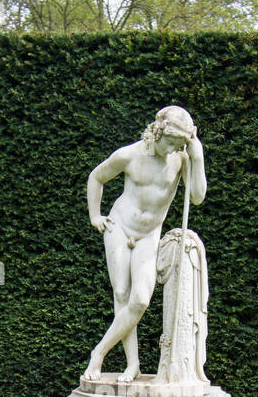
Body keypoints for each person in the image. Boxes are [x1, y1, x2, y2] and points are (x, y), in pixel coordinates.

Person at [84, 106, 206, 382]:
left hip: (149, 236)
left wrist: (196, 157)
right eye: (171, 143)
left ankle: (99, 351)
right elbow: (97, 176)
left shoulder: (181, 159)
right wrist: (95, 215)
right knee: (122, 294)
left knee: (139, 300)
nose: (174, 149)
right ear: (158, 132)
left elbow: (197, 196)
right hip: (119, 226)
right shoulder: (129, 155)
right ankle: (132, 365)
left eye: (180, 145)